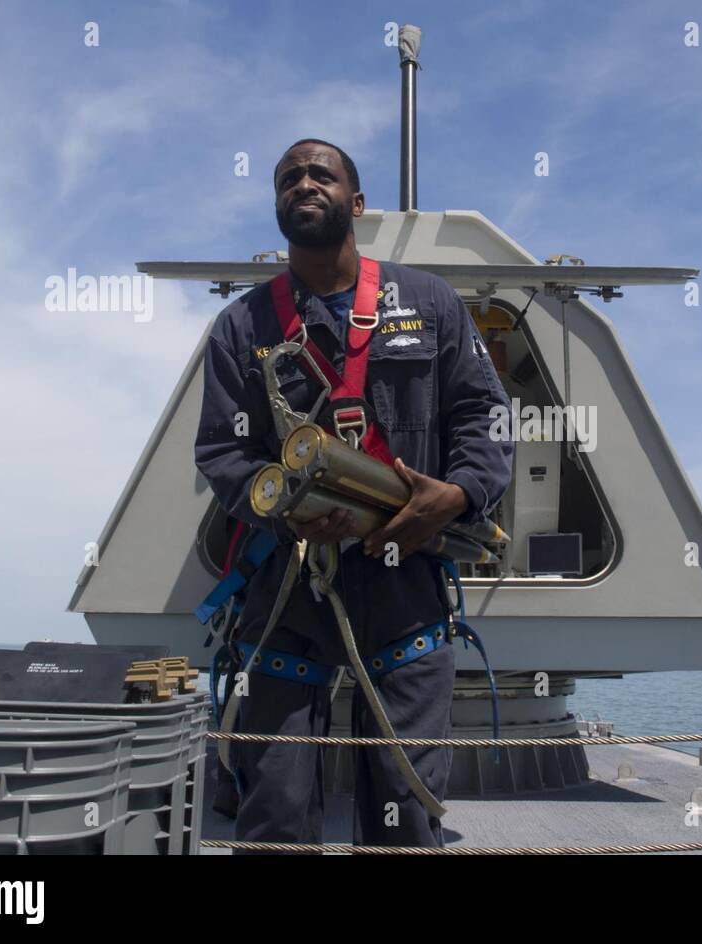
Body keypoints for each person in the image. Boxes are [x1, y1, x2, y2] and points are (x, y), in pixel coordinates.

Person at [194, 137, 513, 849]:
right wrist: (287, 505)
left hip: (408, 588)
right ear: (278, 203)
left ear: (356, 202)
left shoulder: (428, 302)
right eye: (288, 178)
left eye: (321, 174)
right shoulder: (241, 327)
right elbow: (221, 450)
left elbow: (484, 417)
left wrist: (459, 495)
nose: (303, 183)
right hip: (285, 590)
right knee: (273, 810)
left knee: (405, 805)